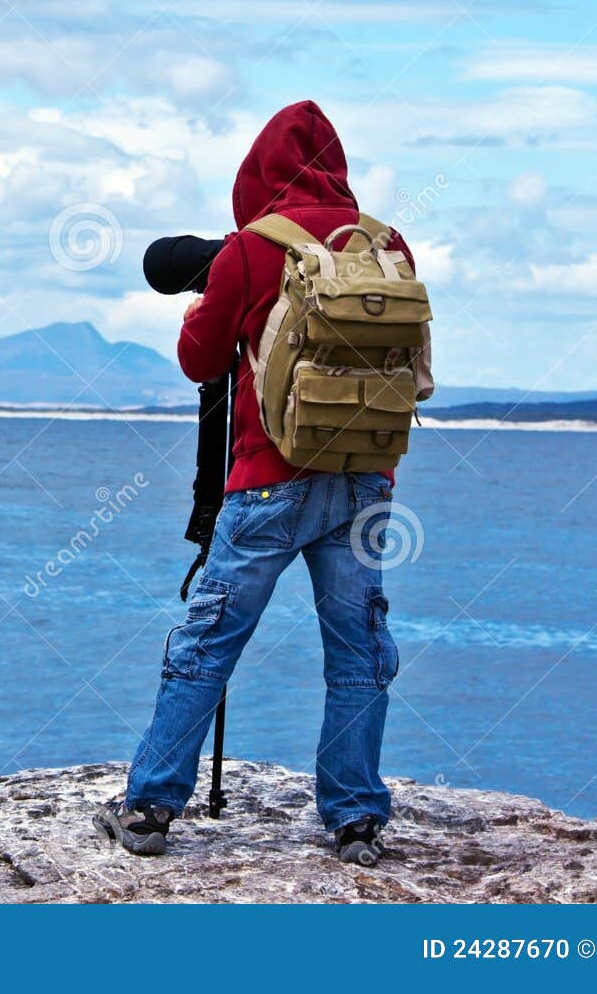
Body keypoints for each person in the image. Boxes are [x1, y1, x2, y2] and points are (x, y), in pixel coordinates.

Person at [97, 100, 415, 866]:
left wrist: (214, 292)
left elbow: (200, 362)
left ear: (257, 169)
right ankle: (355, 816)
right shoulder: (385, 243)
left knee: (208, 643)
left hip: (269, 484)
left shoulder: (250, 249)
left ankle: (149, 806)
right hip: (365, 480)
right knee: (359, 647)